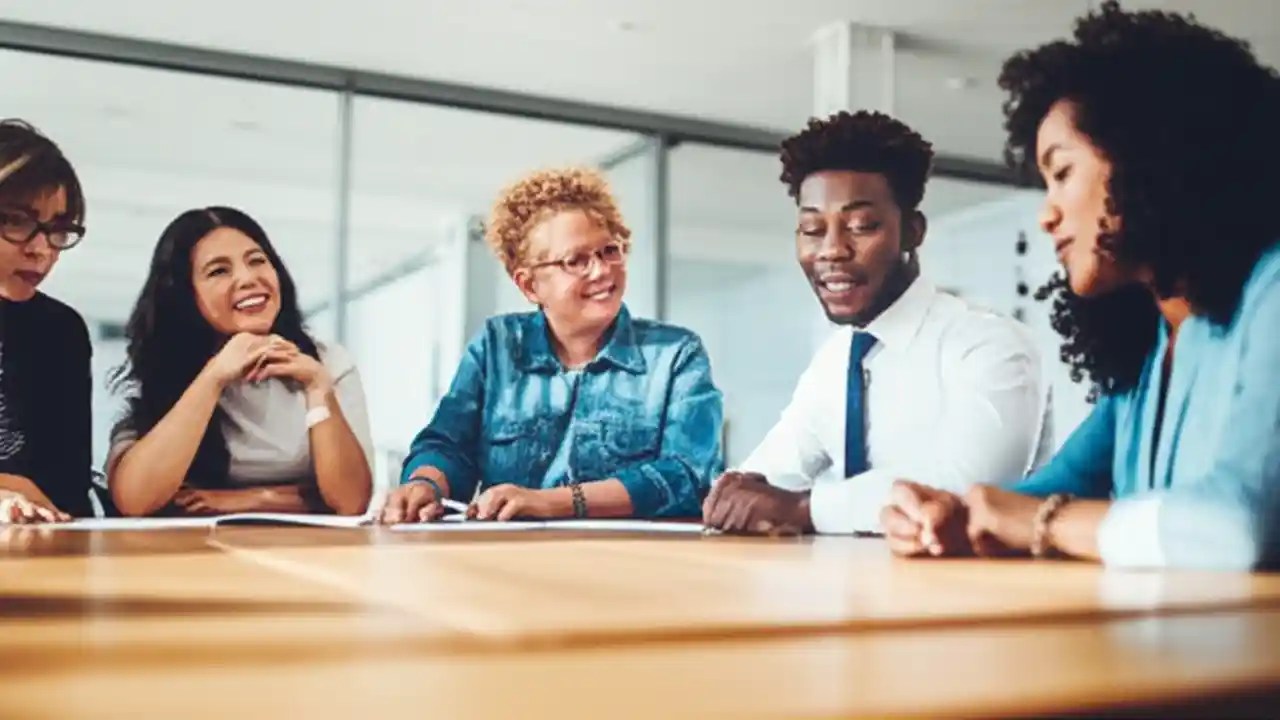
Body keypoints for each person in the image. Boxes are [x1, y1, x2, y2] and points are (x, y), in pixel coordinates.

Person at [882, 1, 1280, 569]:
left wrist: (1043, 523)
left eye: (1062, 172)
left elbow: (1237, 530)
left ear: (1151, 157)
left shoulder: (1272, 295)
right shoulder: (1151, 354)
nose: (1047, 215)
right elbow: (1049, 488)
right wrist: (950, 514)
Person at [703, 110, 1050, 536]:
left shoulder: (987, 343)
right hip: (857, 593)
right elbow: (766, 475)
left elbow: (970, 485)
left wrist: (802, 509)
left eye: (861, 226)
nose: (831, 250)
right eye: (812, 229)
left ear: (912, 232)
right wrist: (733, 493)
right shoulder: (834, 363)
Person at [380, 167, 722, 524]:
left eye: (609, 251)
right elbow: (448, 446)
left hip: (634, 563)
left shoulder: (676, 355)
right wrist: (425, 485)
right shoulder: (497, 346)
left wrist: (555, 502)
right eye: (576, 260)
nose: (601, 271)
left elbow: (686, 476)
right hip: (510, 561)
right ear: (529, 286)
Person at [107, 207, 373, 517]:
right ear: (183, 294)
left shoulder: (326, 362)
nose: (248, 279)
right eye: (219, 271)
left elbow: (351, 501)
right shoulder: (165, 371)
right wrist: (214, 377)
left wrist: (318, 389)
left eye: (257, 260)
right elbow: (134, 500)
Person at [0, 119, 92, 523]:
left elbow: (68, 487)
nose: (42, 250)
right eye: (16, 221)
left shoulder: (60, 330)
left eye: (57, 230)